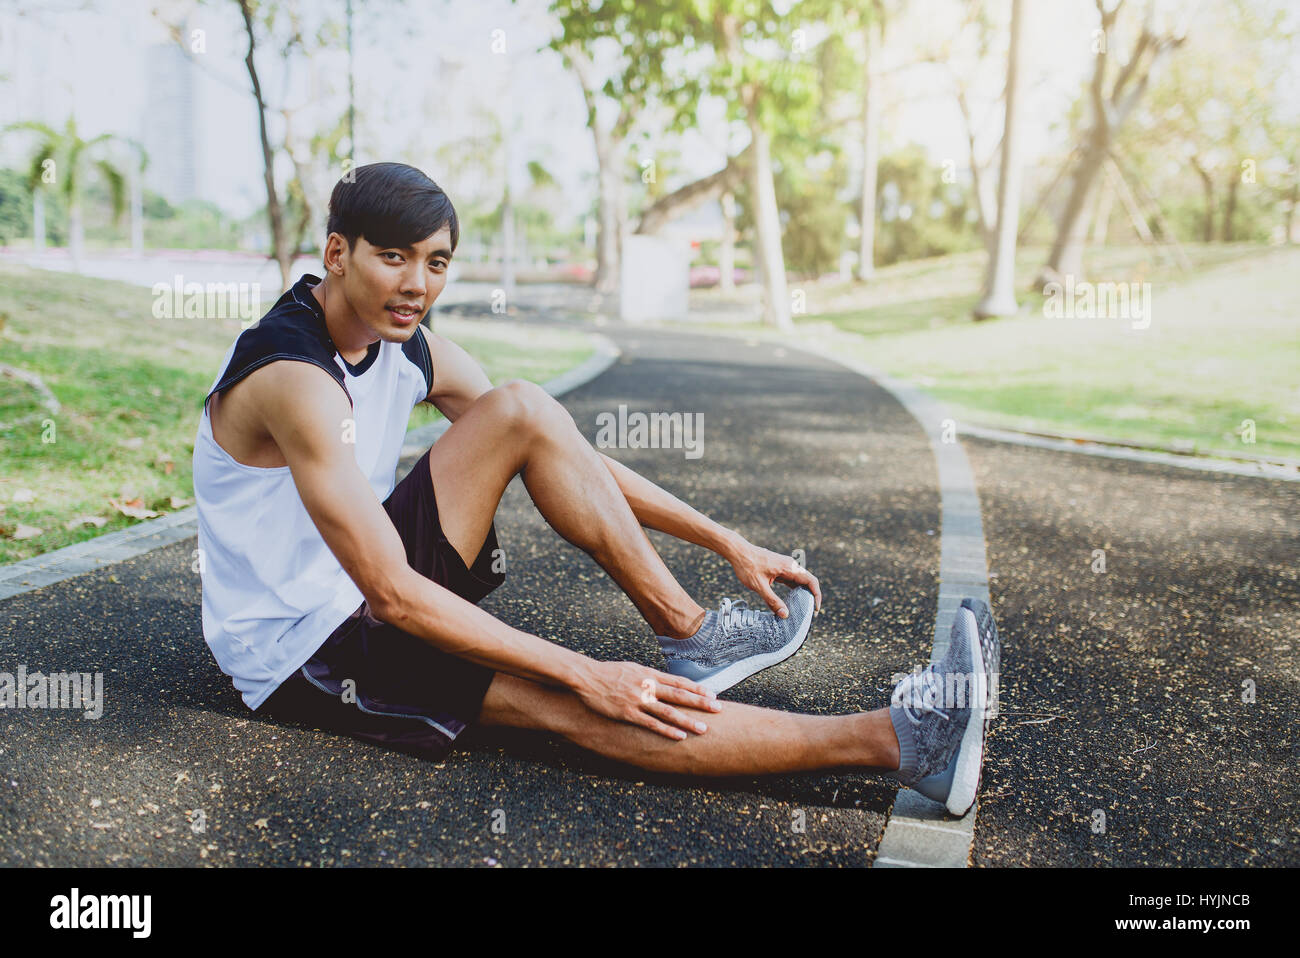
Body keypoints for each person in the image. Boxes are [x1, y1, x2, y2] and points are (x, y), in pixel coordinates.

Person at [192, 162, 999, 816]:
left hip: (368, 578)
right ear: (337, 254)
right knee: (587, 702)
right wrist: (584, 669)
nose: (416, 283)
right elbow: (394, 597)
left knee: (525, 408)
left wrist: (722, 539)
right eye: (391, 257)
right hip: (309, 647)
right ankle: (903, 742)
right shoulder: (296, 379)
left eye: (435, 262)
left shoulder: (406, 345)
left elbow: (565, 449)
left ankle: (690, 634)